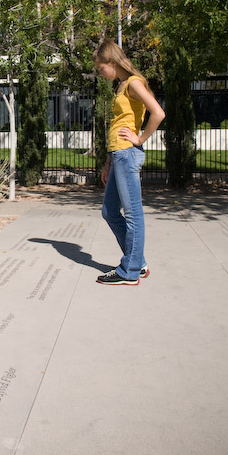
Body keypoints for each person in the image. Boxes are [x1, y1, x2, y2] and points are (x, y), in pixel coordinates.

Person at [93, 40, 165, 285]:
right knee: (109, 211)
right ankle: (138, 262)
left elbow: (158, 112)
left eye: (101, 68)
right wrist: (107, 162)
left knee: (133, 214)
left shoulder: (133, 83)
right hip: (117, 156)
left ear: (112, 63)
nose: (100, 73)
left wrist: (140, 138)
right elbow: (117, 125)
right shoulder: (121, 86)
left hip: (127, 154)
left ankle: (130, 270)